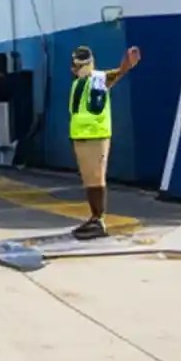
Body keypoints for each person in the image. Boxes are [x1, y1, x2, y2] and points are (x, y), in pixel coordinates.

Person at [68, 44, 141, 240]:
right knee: (90, 179)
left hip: (94, 136)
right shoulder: (82, 83)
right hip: (82, 136)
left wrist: (126, 66)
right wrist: (125, 66)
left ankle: (98, 219)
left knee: (95, 178)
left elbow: (115, 75)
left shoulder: (96, 80)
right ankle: (95, 217)